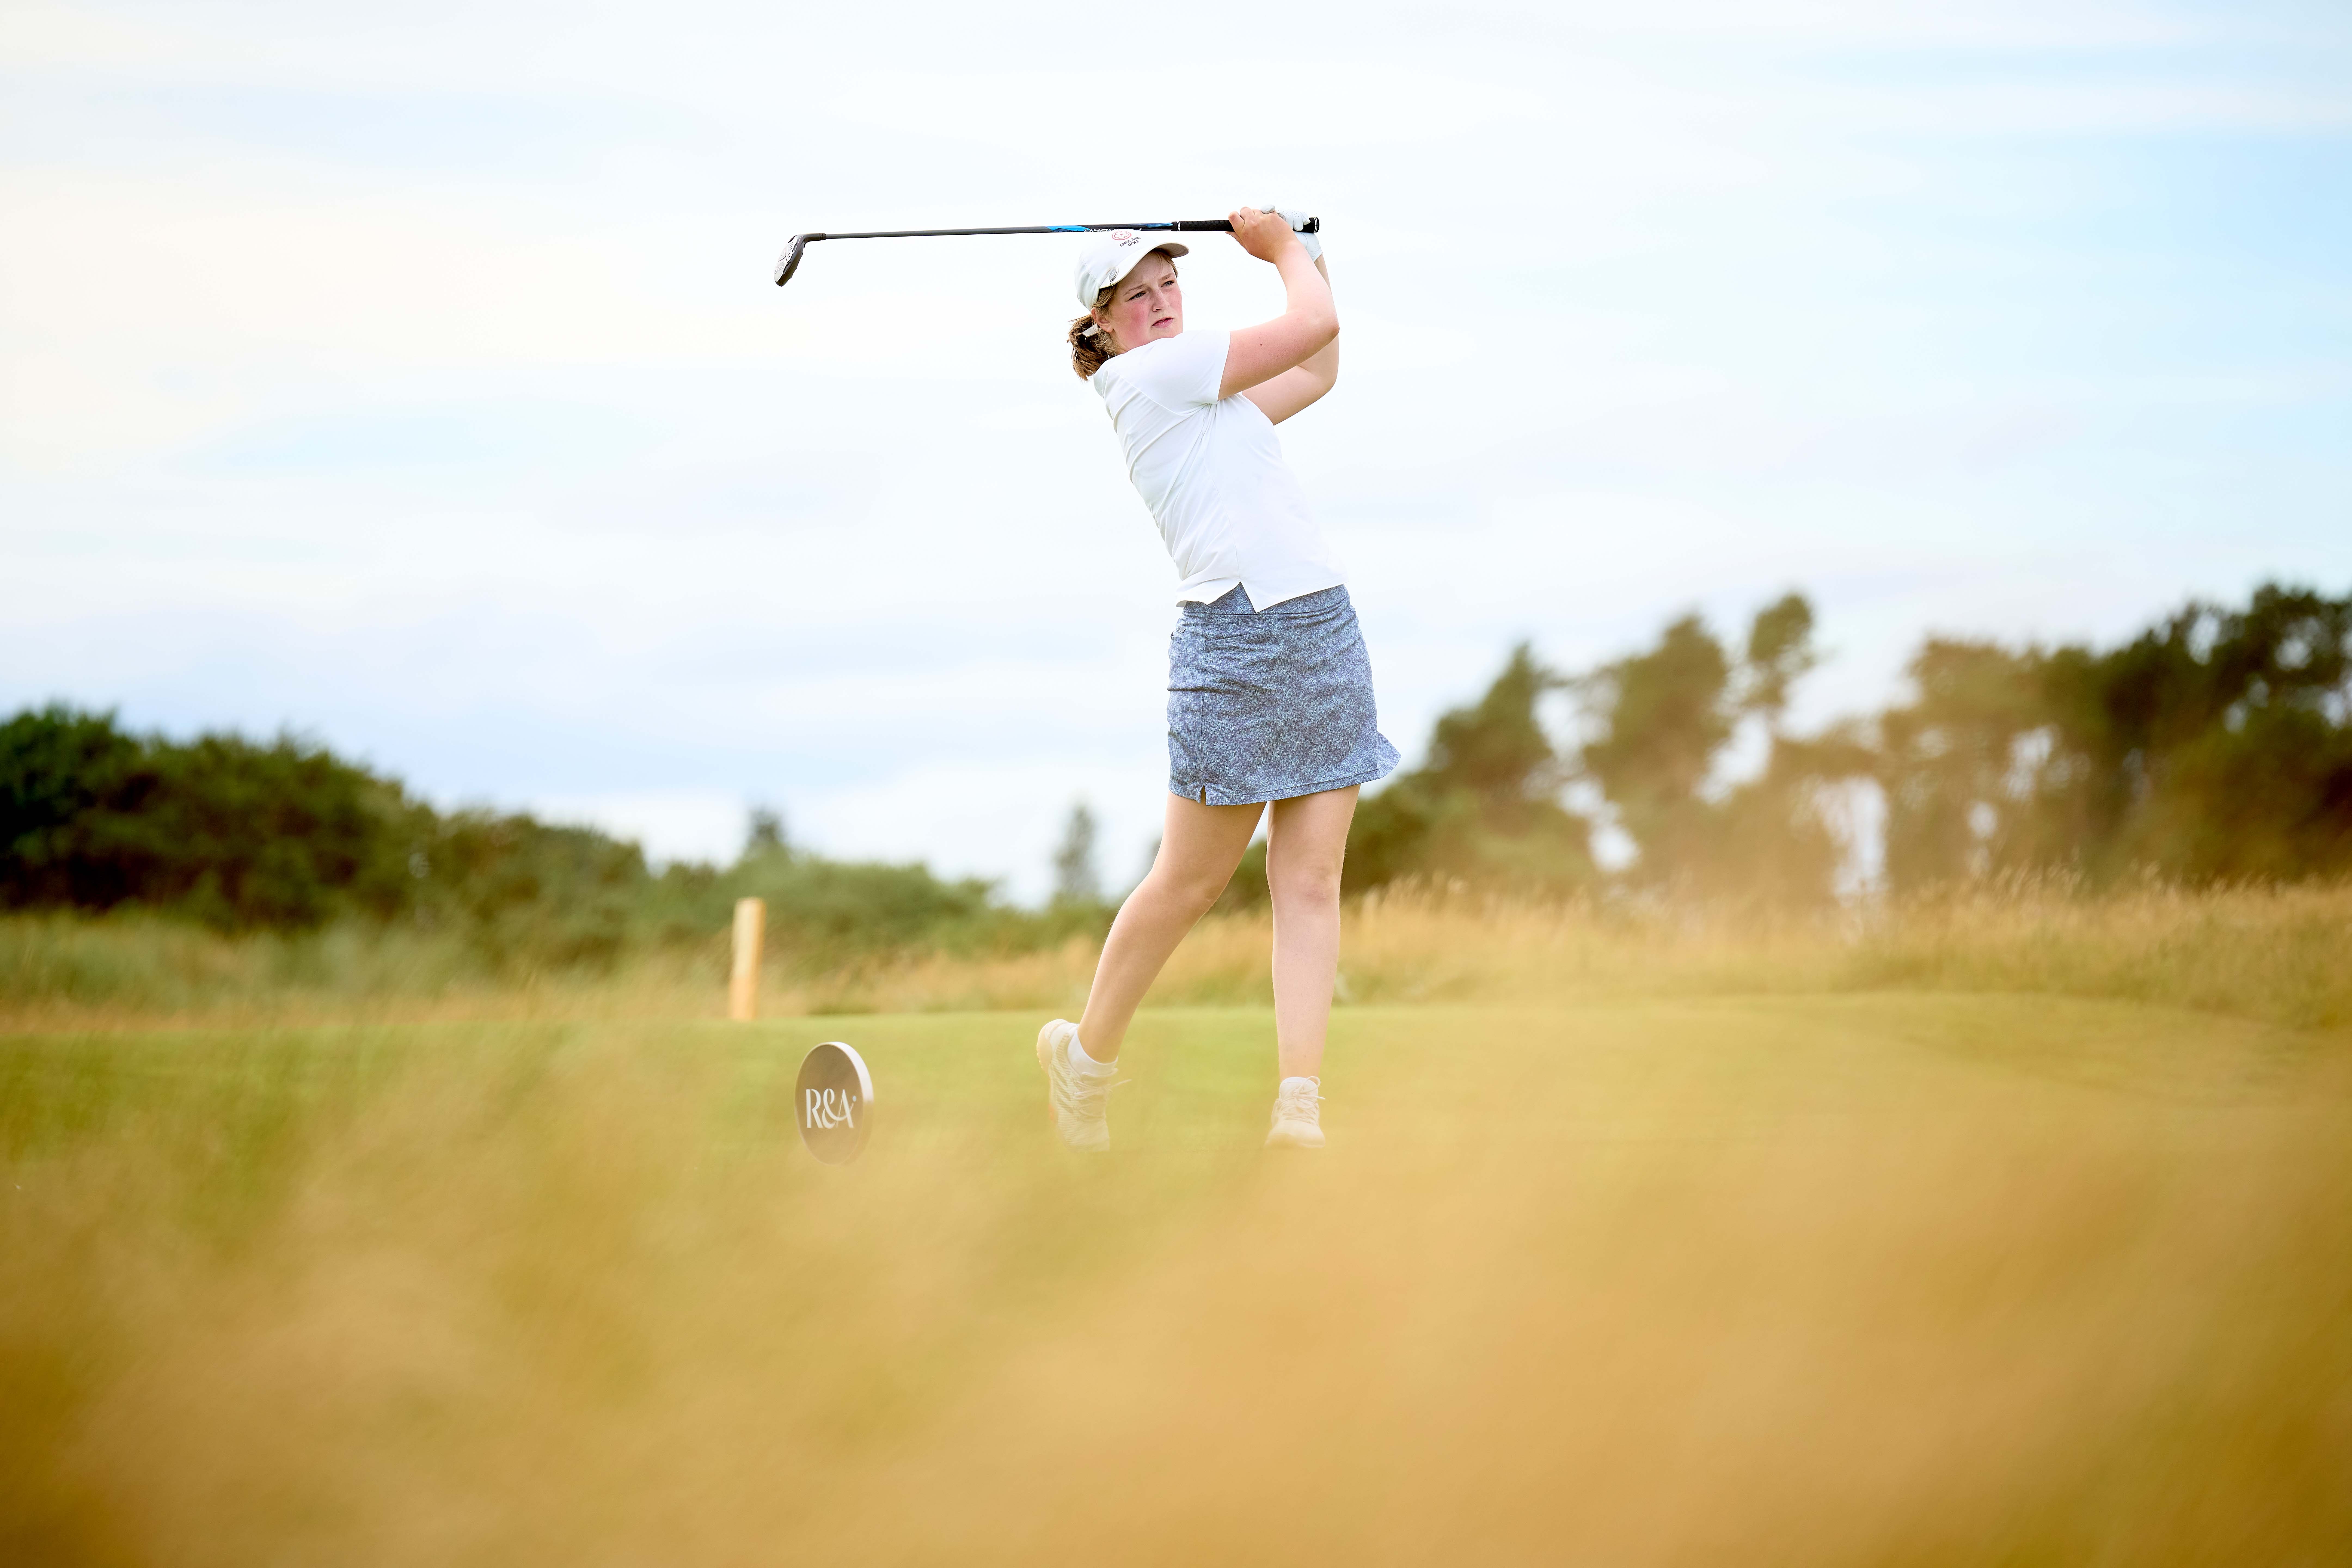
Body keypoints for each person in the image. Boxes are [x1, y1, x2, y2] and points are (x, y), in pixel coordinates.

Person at [1036, 207, 1397, 1152]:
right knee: (1189, 885)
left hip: (1320, 626)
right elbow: (1308, 327)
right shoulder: (1150, 377)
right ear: (1104, 324)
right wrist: (1283, 253)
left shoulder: (1210, 393)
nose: (1159, 303)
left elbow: (1317, 368)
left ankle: (1299, 1108)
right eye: (1136, 296)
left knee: (1311, 880)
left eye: (1168, 284)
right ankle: (1085, 1062)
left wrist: (1312, 254)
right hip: (1232, 646)